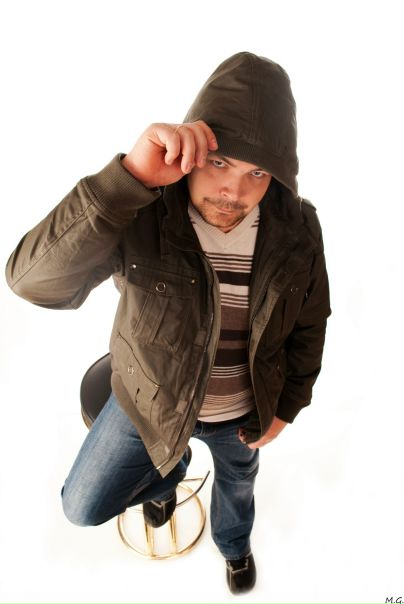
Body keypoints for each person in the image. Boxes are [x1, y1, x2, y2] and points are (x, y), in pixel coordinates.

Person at [5, 51, 331, 594]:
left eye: (256, 172)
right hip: (150, 403)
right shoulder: (143, 208)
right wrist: (127, 180)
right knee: (80, 508)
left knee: (239, 487)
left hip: (244, 412)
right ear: (193, 150)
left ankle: (234, 548)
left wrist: (288, 406)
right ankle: (166, 477)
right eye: (220, 163)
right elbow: (32, 282)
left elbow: (311, 323)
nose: (234, 192)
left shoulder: (298, 226)